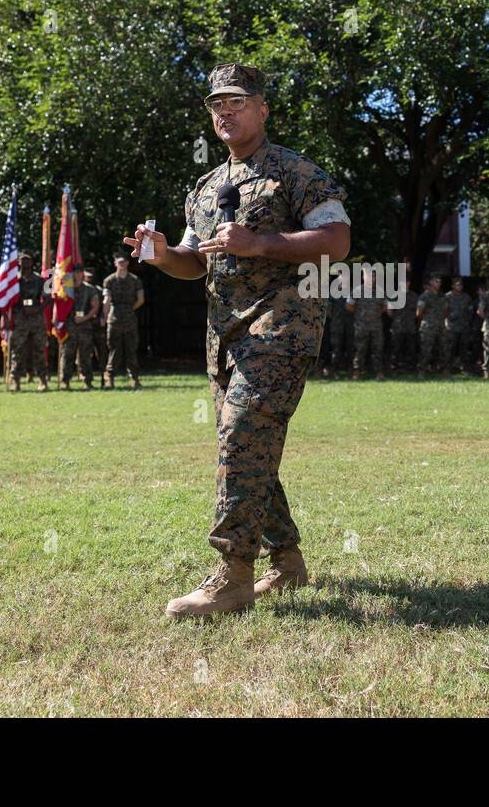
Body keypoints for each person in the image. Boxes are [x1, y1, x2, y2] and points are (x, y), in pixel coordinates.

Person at [126, 63, 351, 619]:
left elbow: (338, 241)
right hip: (223, 338)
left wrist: (262, 243)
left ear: (262, 108)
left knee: (240, 435)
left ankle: (232, 577)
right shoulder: (204, 190)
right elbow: (192, 263)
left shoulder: (296, 173)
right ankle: (289, 563)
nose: (224, 112)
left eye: (236, 101)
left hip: (281, 328)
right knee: (250, 448)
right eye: (215, 105)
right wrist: (159, 255)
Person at [103, 253, 145, 390]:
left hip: (129, 320)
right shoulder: (109, 280)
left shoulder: (135, 280)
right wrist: (104, 316)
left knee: (131, 349)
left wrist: (129, 309)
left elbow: (141, 299)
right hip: (114, 320)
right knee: (114, 350)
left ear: (127, 263)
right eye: (119, 262)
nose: (121, 264)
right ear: (115, 263)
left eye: (124, 262)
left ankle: (134, 378)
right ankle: (109, 377)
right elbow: (107, 301)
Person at [9, 252, 49, 392]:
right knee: (18, 350)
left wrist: (37, 309)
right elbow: (7, 299)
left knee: (39, 349)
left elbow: (48, 298)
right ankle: (15, 380)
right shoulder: (13, 280)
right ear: (18, 262)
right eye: (22, 260)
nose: (25, 263)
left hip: (37, 319)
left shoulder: (40, 280)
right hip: (20, 318)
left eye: (28, 260)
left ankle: (42, 380)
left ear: (32, 262)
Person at [62, 267, 102, 389]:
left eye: (80, 272)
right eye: (76, 272)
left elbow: (95, 307)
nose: (78, 275)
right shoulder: (67, 288)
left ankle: (87, 381)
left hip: (85, 326)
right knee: (68, 354)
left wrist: (84, 318)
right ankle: (65, 381)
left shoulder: (90, 289)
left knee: (85, 355)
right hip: (69, 326)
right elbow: (60, 302)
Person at [347, 268, 387, 380]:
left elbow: (384, 307)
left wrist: (373, 314)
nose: (371, 279)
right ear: (363, 277)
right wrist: (361, 314)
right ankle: (356, 371)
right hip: (361, 325)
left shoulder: (380, 292)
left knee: (378, 349)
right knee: (359, 349)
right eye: (369, 276)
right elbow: (349, 306)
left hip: (376, 326)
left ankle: (379, 372)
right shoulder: (357, 291)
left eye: (373, 277)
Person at [389, 268, 418, 374]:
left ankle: (410, 368)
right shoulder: (394, 295)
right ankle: (394, 368)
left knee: (411, 349)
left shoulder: (414, 296)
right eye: (403, 282)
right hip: (397, 327)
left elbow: (418, 312)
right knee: (396, 349)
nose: (405, 284)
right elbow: (389, 311)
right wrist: (397, 320)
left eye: (407, 282)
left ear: (409, 283)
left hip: (410, 327)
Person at [415, 274, 446, 376]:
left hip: (441, 326)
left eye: (440, 282)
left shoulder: (442, 296)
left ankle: (443, 370)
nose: (439, 283)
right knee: (426, 349)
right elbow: (419, 313)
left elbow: (446, 310)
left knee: (443, 348)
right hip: (428, 327)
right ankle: (422, 371)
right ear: (431, 282)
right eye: (436, 281)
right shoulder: (425, 296)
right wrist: (427, 320)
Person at [443, 276, 472, 374]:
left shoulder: (466, 297)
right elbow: (444, 311)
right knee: (450, 348)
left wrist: (467, 322)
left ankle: (464, 368)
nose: (460, 286)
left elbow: (470, 311)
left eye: (461, 285)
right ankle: (447, 368)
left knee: (464, 348)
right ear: (452, 286)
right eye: (457, 285)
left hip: (464, 327)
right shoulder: (447, 297)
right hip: (452, 327)